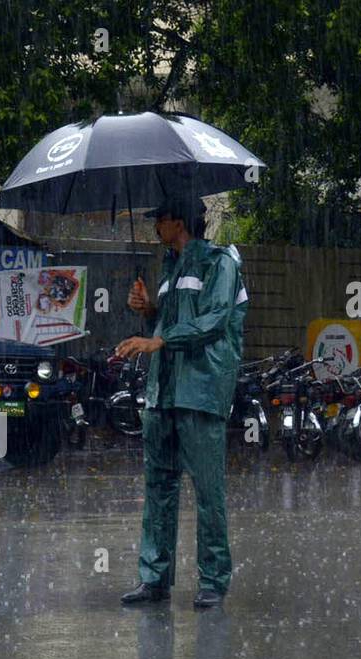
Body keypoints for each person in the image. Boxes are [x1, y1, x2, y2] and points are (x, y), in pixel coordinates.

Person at [115, 199, 248, 610]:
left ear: (178, 221)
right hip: (165, 392)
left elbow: (213, 321)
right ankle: (154, 579)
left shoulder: (220, 263)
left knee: (208, 490)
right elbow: (169, 321)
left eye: (160, 219)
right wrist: (149, 309)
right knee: (159, 487)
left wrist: (159, 340)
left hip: (201, 391)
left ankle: (213, 580)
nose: (155, 226)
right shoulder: (169, 269)